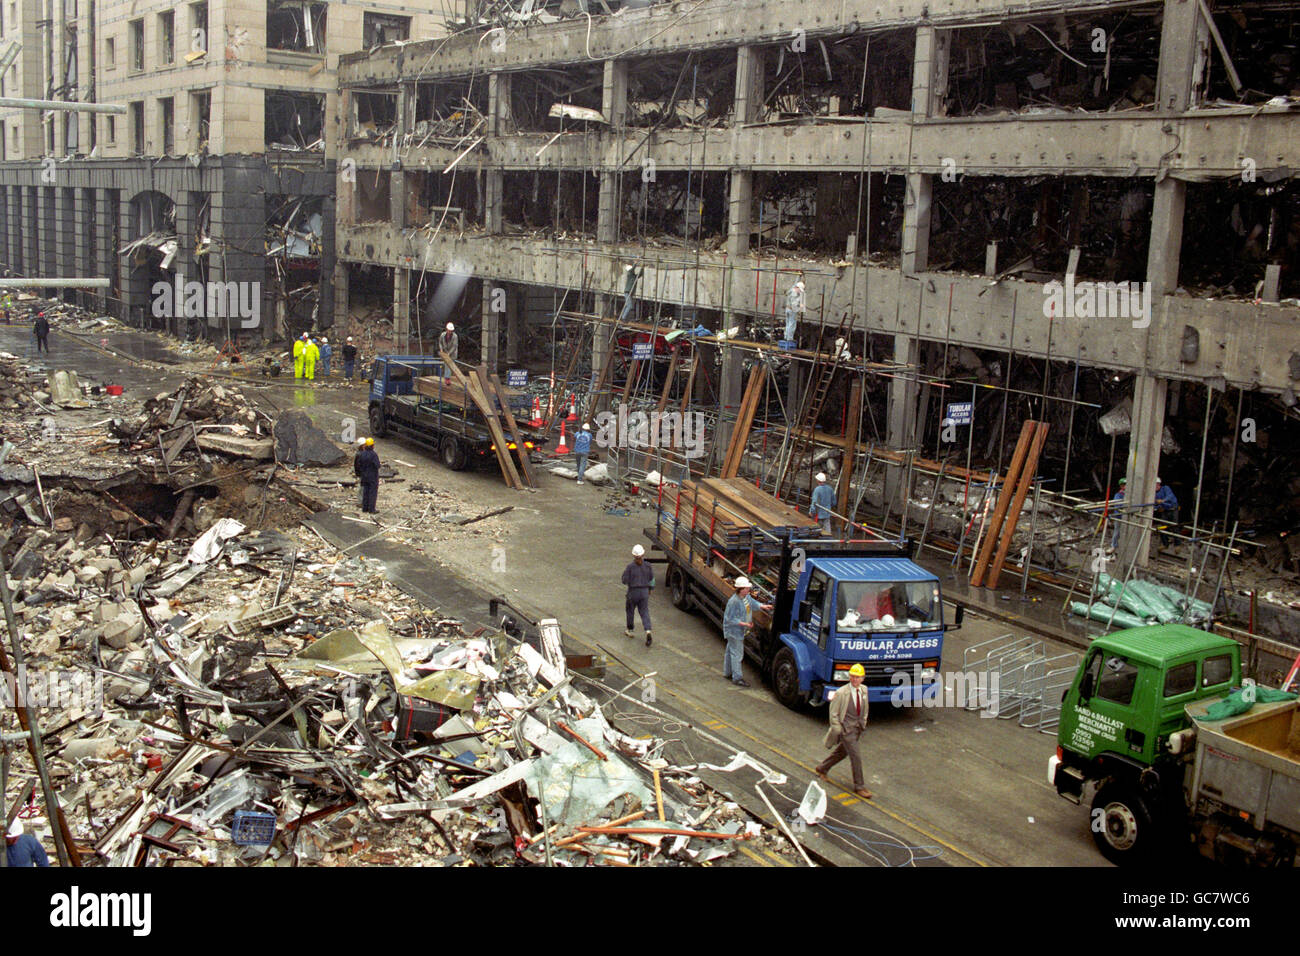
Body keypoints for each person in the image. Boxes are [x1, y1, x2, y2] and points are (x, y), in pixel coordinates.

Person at [815, 663, 873, 799]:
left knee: (842, 752)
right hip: (846, 730)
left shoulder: (864, 690)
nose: (854, 679)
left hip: (857, 728)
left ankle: (822, 768)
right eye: (852, 676)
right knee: (856, 757)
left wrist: (863, 722)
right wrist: (838, 728)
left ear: (863, 678)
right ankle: (860, 786)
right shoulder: (841, 693)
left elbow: (865, 708)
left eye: (857, 677)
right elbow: (833, 712)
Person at [723, 576, 772, 688]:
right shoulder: (733, 602)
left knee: (730, 650)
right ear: (740, 589)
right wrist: (745, 624)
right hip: (734, 631)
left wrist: (763, 606)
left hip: (739, 630)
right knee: (737, 654)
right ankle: (737, 678)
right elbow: (730, 619)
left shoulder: (746, 597)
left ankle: (727, 672)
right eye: (746, 588)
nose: (748, 589)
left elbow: (753, 603)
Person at [622, 544, 654, 646]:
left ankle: (630, 630)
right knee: (644, 612)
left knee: (630, 610)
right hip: (644, 592)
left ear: (634, 556)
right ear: (643, 554)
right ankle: (648, 630)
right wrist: (650, 589)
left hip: (633, 592)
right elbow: (652, 579)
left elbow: (624, 580)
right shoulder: (648, 565)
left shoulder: (630, 567)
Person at [355, 437, 380, 514]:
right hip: (372, 476)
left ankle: (365, 508)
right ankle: (371, 509)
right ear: (372, 445)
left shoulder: (362, 454)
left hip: (364, 476)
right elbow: (377, 465)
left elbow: (358, 465)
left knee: (365, 491)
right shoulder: (373, 455)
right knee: (372, 493)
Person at [1154, 477, 1179, 545]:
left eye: (1156, 485)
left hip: (1173, 509)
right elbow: (1155, 504)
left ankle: (1177, 544)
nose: (1155, 487)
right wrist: (1157, 508)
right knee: (1163, 526)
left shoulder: (1165, 488)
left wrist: (1163, 501)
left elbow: (1170, 496)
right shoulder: (1154, 494)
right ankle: (1165, 543)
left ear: (1159, 484)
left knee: (1174, 526)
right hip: (1165, 511)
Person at [783, 275, 805, 342]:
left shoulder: (792, 290)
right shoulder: (799, 294)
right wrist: (800, 311)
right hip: (793, 310)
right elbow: (800, 305)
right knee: (792, 325)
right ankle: (789, 338)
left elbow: (794, 284)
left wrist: (798, 276)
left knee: (787, 323)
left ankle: (786, 336)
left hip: (787, 309)